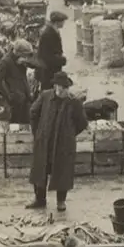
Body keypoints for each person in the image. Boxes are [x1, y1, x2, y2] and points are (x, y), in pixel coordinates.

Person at [29, 71, 88, 212]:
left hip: (63, 143)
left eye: (66, 88)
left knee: (62, 171)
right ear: (55, 86)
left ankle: (61, 201)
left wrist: (70, 134)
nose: (64, 91)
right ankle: (39, 199)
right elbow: (33, 112)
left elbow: (82, 122)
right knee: (40, 170)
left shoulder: (74, 102)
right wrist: (37, 133)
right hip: (45, 141)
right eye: (61, 87)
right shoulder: (45, 96)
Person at [0, 40, 34, 123]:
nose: (26, 57)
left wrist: (25, 62)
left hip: (25, 98)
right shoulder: (5, 62)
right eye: (25, 55)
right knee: (15, 127)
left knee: (25, 126)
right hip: (16, 101)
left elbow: (34, 64)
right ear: (19, 53)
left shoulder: (20, 60)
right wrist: (8, 96)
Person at [35, 11, 67, 91]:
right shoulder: (48, 34)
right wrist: (61, 60)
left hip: (51, 68)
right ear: (57, 22)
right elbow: (46, 56)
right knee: (47, 90)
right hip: (47, 70)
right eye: (62, 21)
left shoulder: (53, 31)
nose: (64, 23)